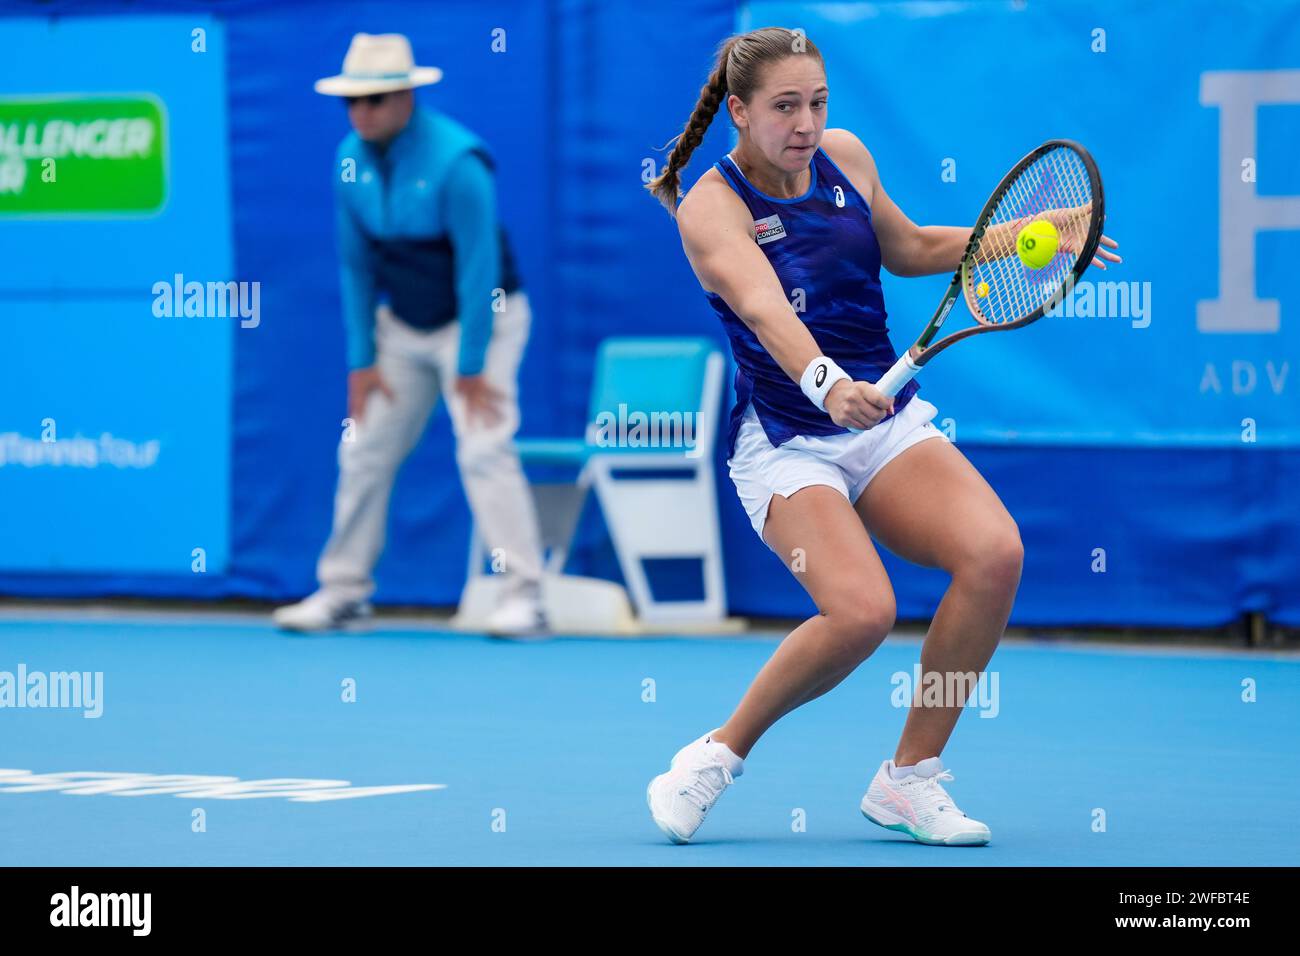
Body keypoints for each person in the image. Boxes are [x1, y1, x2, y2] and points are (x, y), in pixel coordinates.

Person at [643, 27, 1120, 845]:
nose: (806, 123)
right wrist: (828, 385)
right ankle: (718, 754)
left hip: (883, 421)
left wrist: (1031, 232)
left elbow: (903, 248)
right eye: (785, 107)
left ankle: (908, 778)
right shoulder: (710, 208)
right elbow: (762, 307)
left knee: (994, 554)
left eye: (818, 102)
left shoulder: (846, 157)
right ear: (739, 111)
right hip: (788, 439)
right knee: (863, 612)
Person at [274, 33, 547, 635]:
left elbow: (479, 274)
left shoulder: (459, 163)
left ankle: (524, 595)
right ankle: (343, 590)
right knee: (363, 448)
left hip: (484, 321)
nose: (361, 113)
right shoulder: (348, 161)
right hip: (402, 327)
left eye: (375, 100)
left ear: (406, 99)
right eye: (353, 102)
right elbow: (356, 267)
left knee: (482, 447)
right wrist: (362, 360)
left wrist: (471, 366)